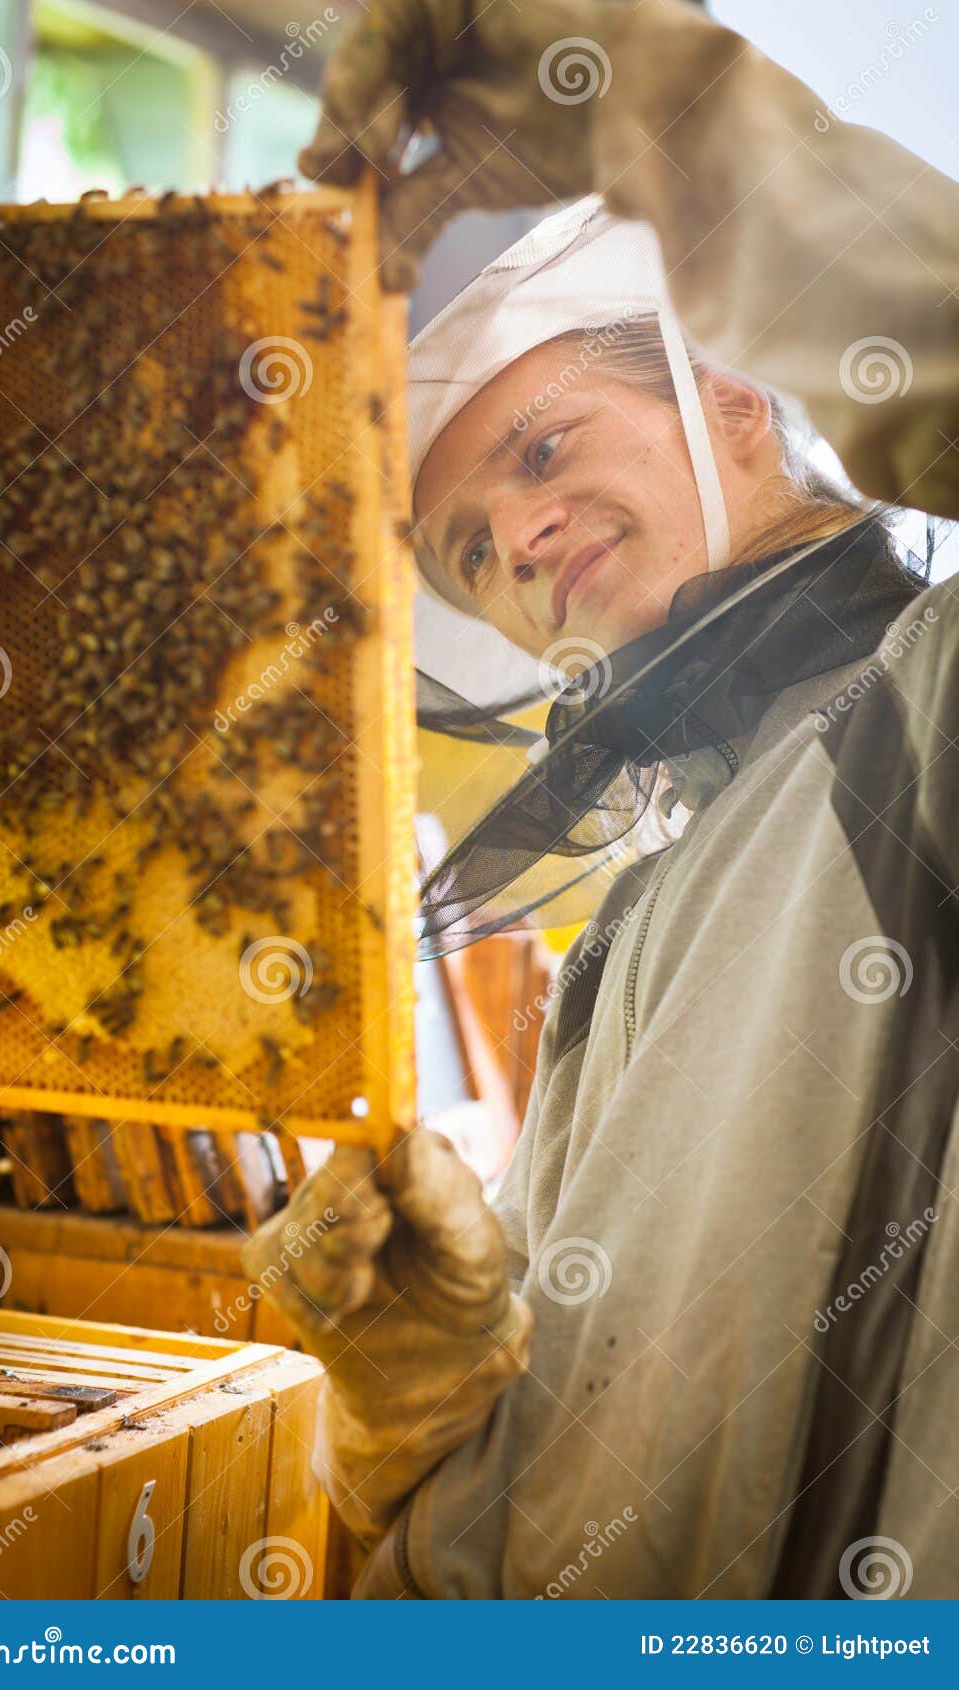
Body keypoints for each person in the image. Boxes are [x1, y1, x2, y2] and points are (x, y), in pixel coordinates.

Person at [241, 0, 959, 1598]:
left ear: (738, 397)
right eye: (475, 549)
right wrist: (421, 1386)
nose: (521, 537)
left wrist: (670, 110)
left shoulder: (930, 697)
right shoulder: (649, 898)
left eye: (547, 444)